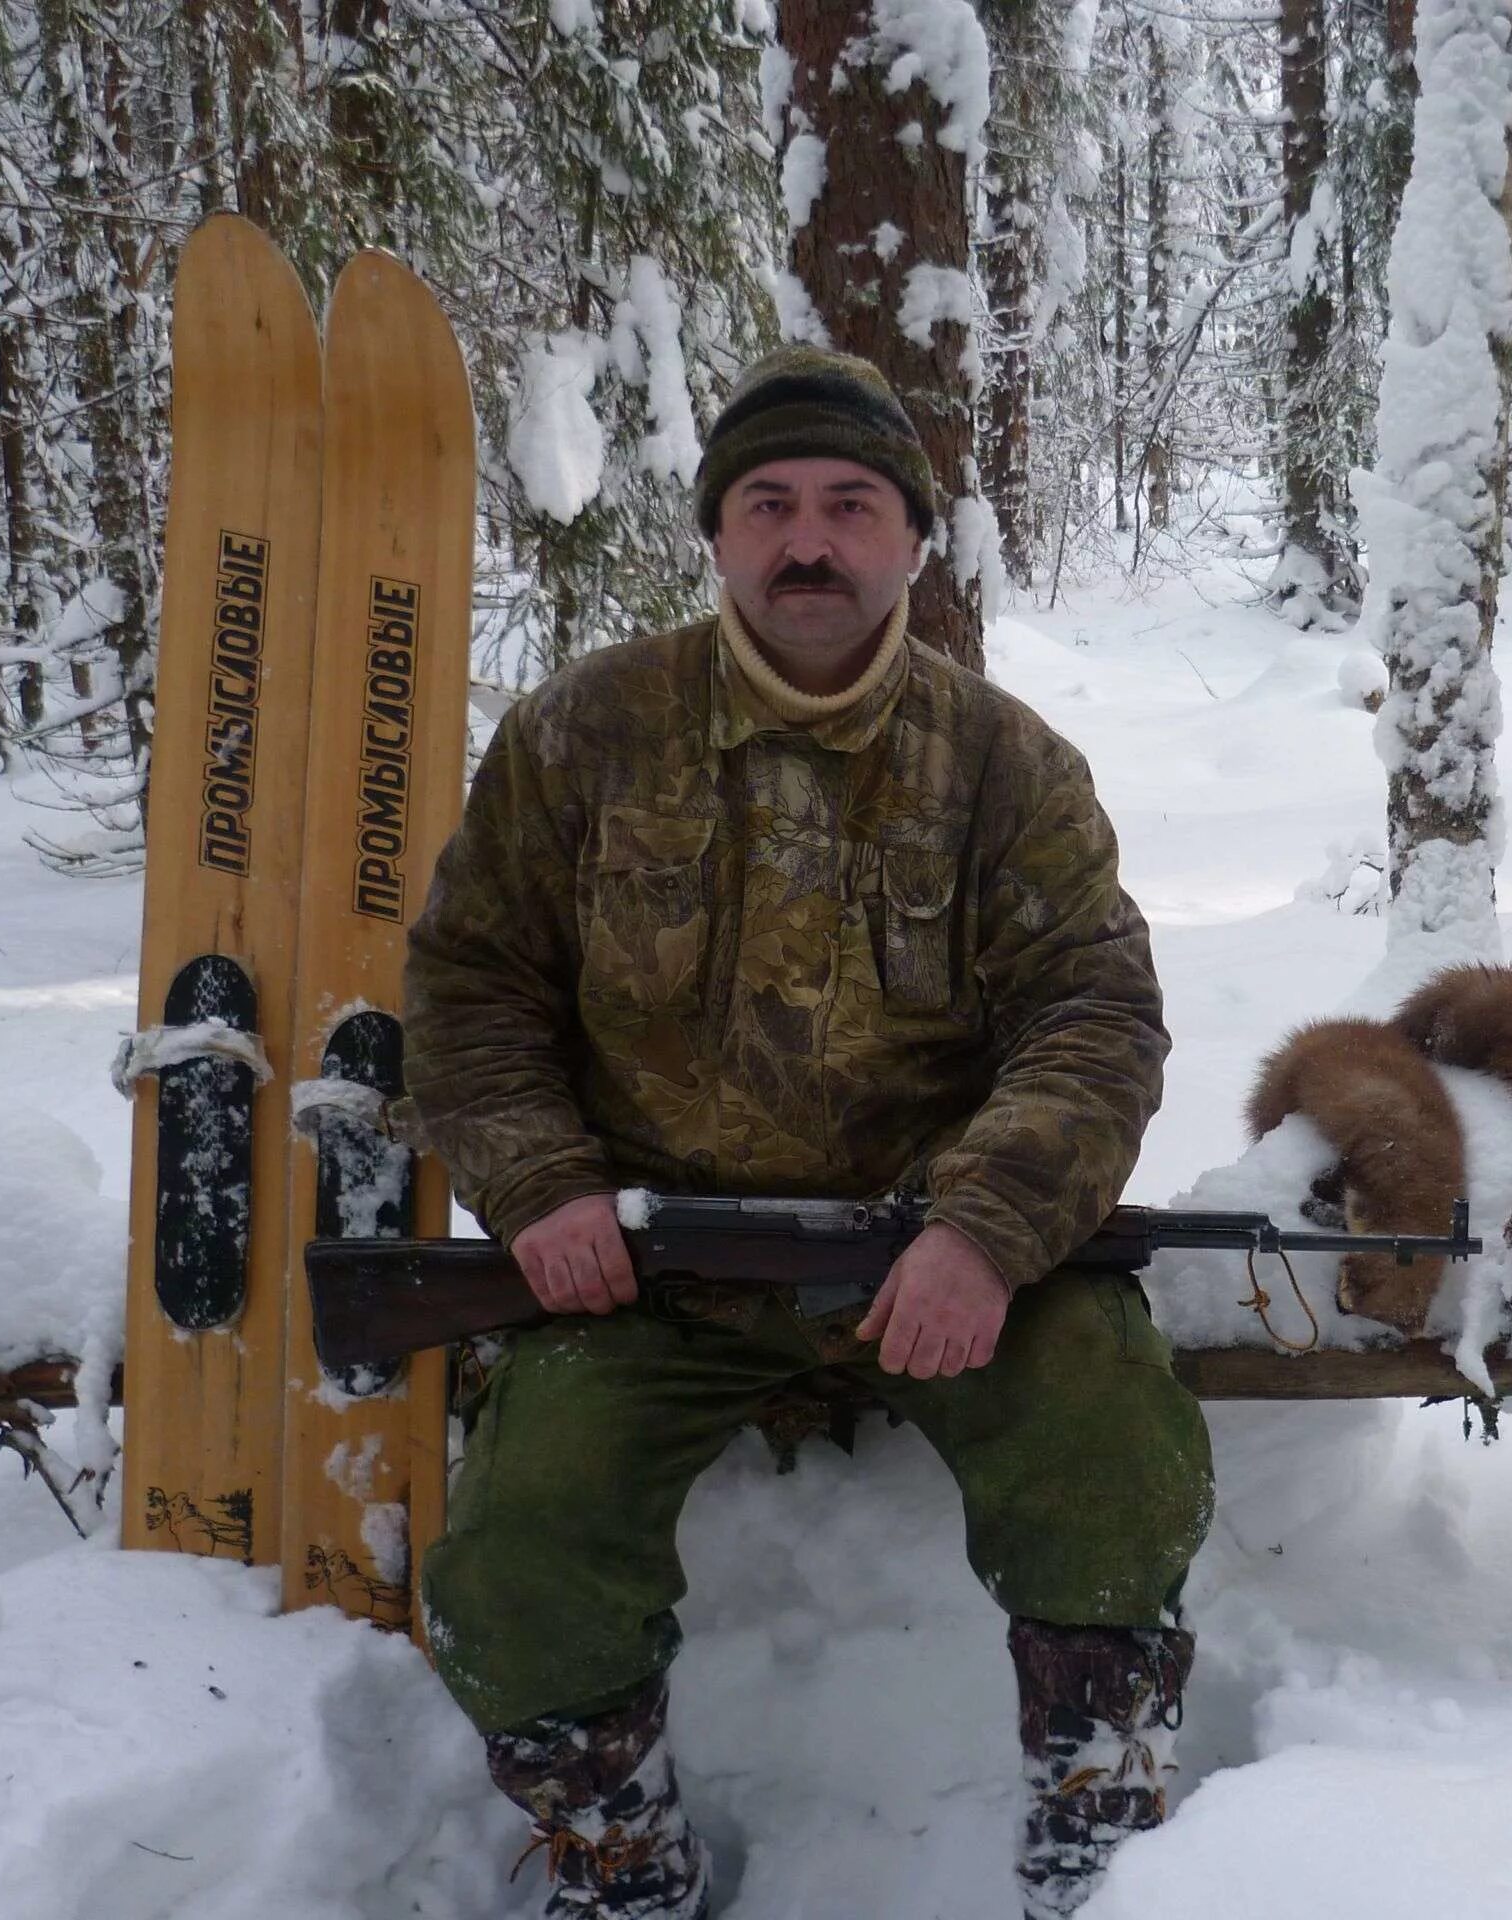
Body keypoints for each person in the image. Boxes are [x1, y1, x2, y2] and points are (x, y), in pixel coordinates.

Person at [398, 344, 1215, 1920]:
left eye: (850, 504)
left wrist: (985, 1229)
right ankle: (620, 1855)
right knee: (520, 1539)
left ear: (914, 538)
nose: (808, 542)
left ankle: (1099, 1836)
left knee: (1114, 1450)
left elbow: (1094, 1019)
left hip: (944, 1260)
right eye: (767, 504)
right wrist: (543, 1184)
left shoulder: (1005, 767)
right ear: (715, 535)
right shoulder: (584, 736)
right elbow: (473, 987)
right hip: (649, 1269)